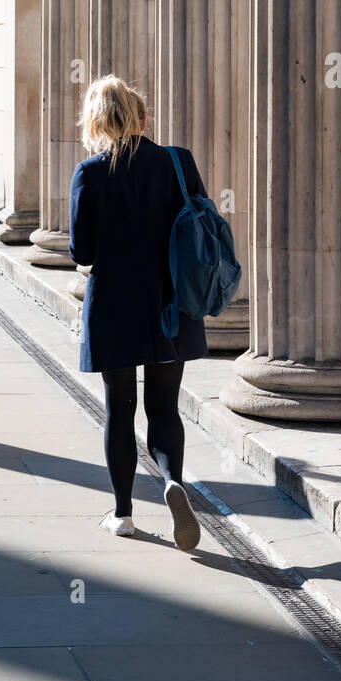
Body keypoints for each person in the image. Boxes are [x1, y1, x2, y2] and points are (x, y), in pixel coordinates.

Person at [68, 75, 206, 550]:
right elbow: (199, 221)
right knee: (165, 407)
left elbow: (80, 251)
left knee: (119, 409)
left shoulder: (89, 172)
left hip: (114, 306)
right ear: (144, 118)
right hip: (173, 302)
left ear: (95, 122)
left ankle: (123, 514)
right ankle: (172, 482)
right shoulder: (177, 161)